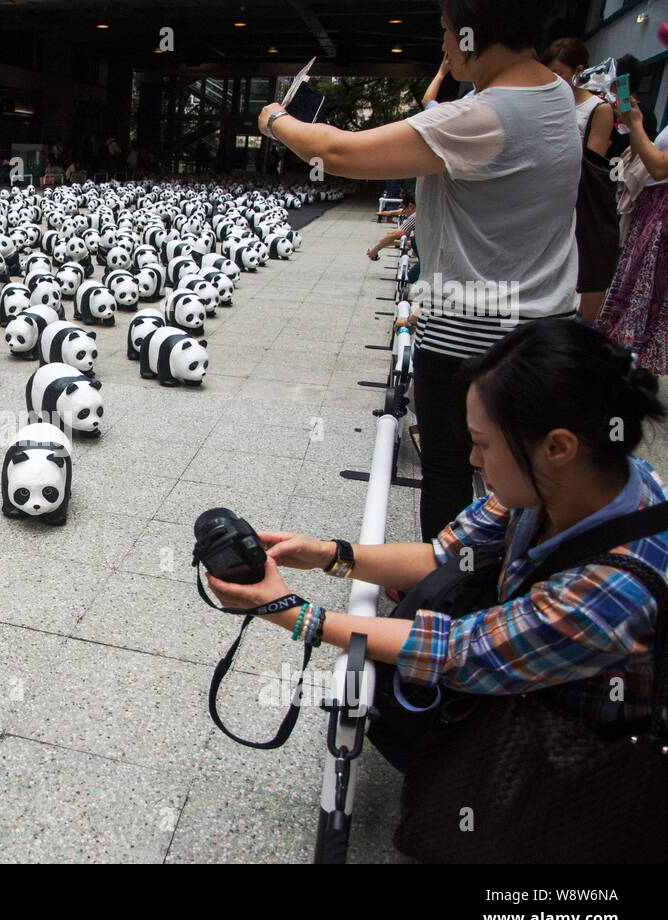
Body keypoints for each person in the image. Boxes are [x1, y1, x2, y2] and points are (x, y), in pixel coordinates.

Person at [206, 319, 667, 754]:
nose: (472, 460)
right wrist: (328, 555)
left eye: (483, 443)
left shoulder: (609, 591)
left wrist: (293, 614)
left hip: (569, 759)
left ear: (557, 447)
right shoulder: (576, 479)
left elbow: (454, 653)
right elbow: (445, 555)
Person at [257, 0, 580, 542]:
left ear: (477, 34)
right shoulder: (557, 95)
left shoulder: (484, 116)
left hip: (471, 333)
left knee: (450, 467)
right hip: (547, 324)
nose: (445, 46)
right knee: (526, 476)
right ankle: (508, 583)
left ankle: (450, 590)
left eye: (447, 33)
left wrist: (275, 120)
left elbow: (338, 152)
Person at [544, 37, 617, 321]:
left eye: (559, 73)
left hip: (577, 200)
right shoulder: (545, 104)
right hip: (544, 196)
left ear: (578, 70)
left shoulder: (598, 109)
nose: (555, 80)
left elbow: (592, 161)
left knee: (578, 269)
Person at [596, 94, 668, 374]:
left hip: (661, 213)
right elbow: (645, 159)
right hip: (652, 208)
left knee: (648, 293)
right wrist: (630, 122)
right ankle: (627, 364)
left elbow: (659, 166)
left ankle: (632, 367)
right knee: (637, 288)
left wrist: (636, 124)